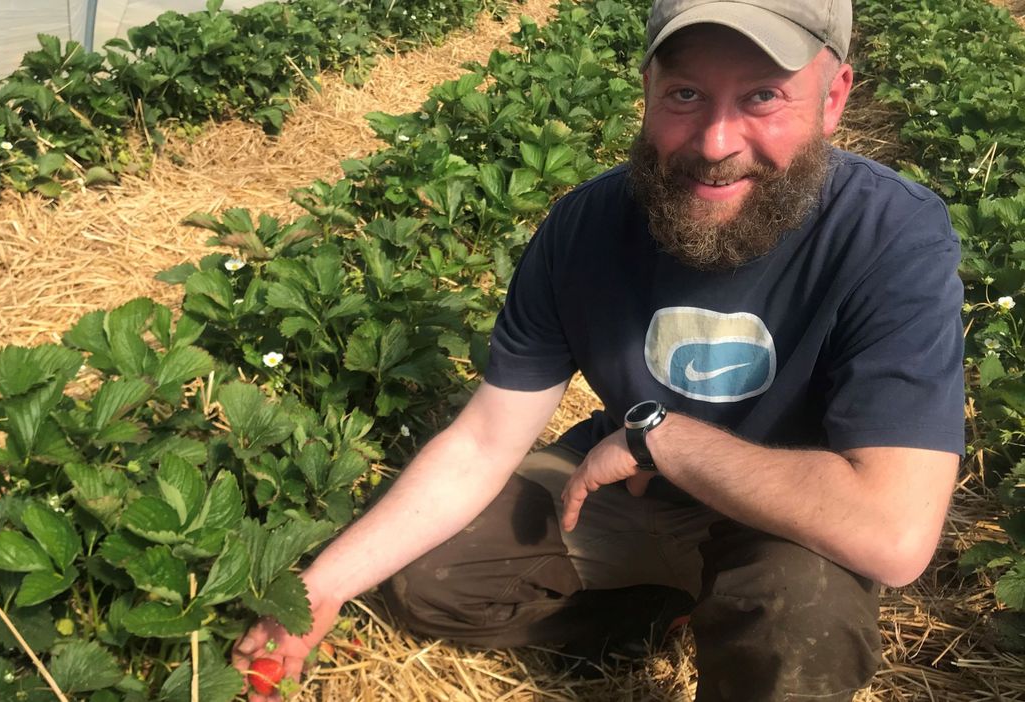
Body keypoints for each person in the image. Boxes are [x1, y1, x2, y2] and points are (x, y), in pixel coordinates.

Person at [233, 0, 966, 699]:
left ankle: (733, 617)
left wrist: (664, 440)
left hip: (782, 523)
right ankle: (664, 611)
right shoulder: (584, 228)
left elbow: (894, 534)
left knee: (797, 616)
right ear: (645, 89)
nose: (715, 143)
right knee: (430, 575)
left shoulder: (892, 236)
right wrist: (321, 586)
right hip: (626, 498)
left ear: (834, 97)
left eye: (764, 97)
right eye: (684, 94)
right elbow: (484, 441)